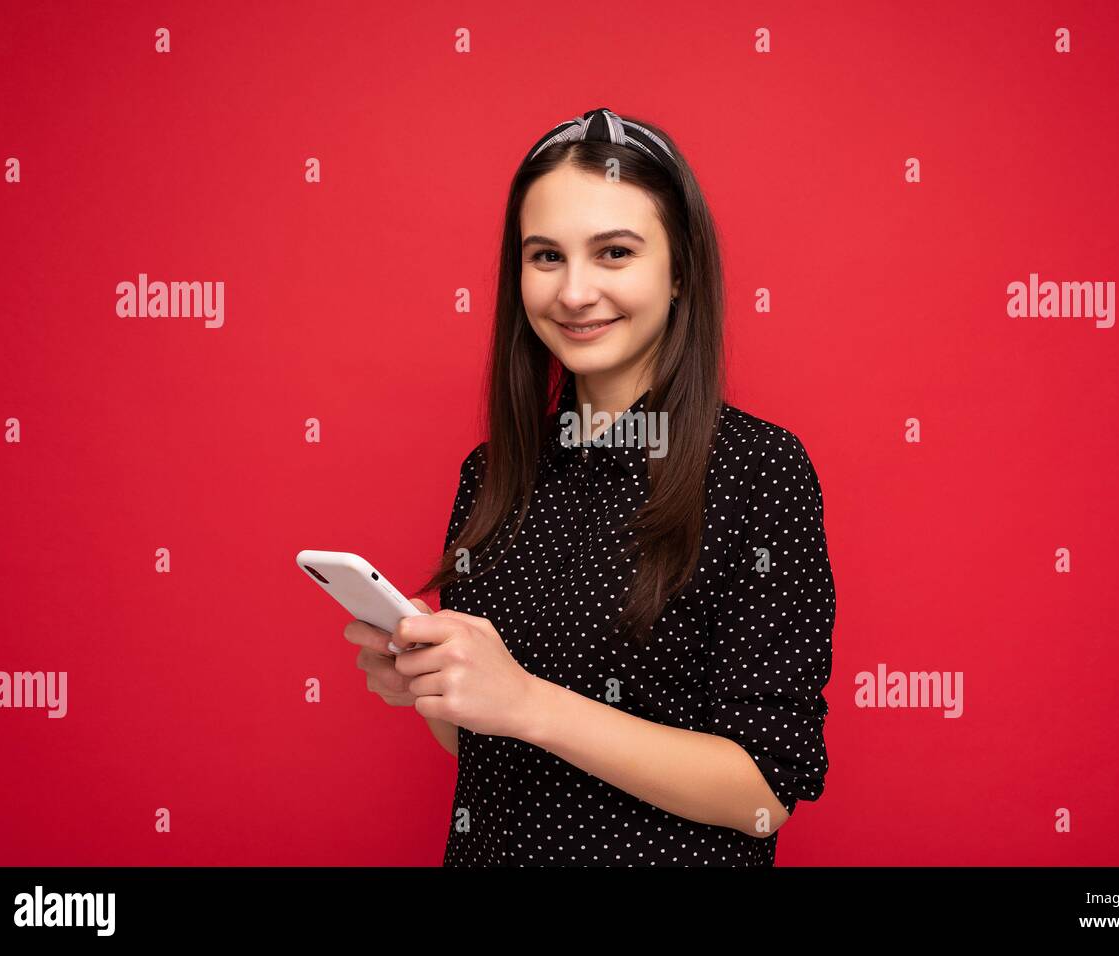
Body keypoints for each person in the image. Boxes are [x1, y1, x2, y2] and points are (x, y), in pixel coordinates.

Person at [344, 107, 836, 866]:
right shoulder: (492, 474)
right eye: (546, 257)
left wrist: (530, 703)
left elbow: (765, 793)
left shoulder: (758, 469)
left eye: (613, 253)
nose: (574, 293)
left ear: (680, 273)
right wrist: (432, 685)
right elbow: (486, 742)